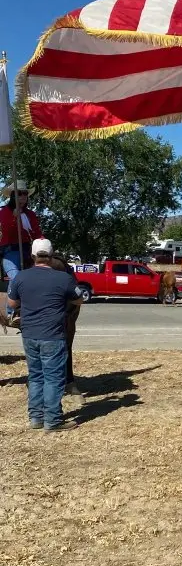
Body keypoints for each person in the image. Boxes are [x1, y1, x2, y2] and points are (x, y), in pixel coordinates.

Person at [8, 238, 83, 432]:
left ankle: (36, 418)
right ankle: (53, 420)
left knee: (35, 376)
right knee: (53, 378)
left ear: (33, 256)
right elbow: (79, 300)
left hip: (29, 335)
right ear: (51, 255)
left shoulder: (20, 277)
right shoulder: (64, 278)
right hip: (53, 335)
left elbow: (12, 303)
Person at [1, 180, 43, 320]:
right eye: (19, 193)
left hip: (28, 250)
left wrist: (44, 243)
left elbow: (37, 233)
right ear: (13, 196)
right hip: (10, 251)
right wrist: (14, 218)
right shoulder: (4, 212)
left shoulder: (31, 214)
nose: (23, 196)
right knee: (16, 277)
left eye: (25, 193)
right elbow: (7, 232)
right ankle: (11, 311)